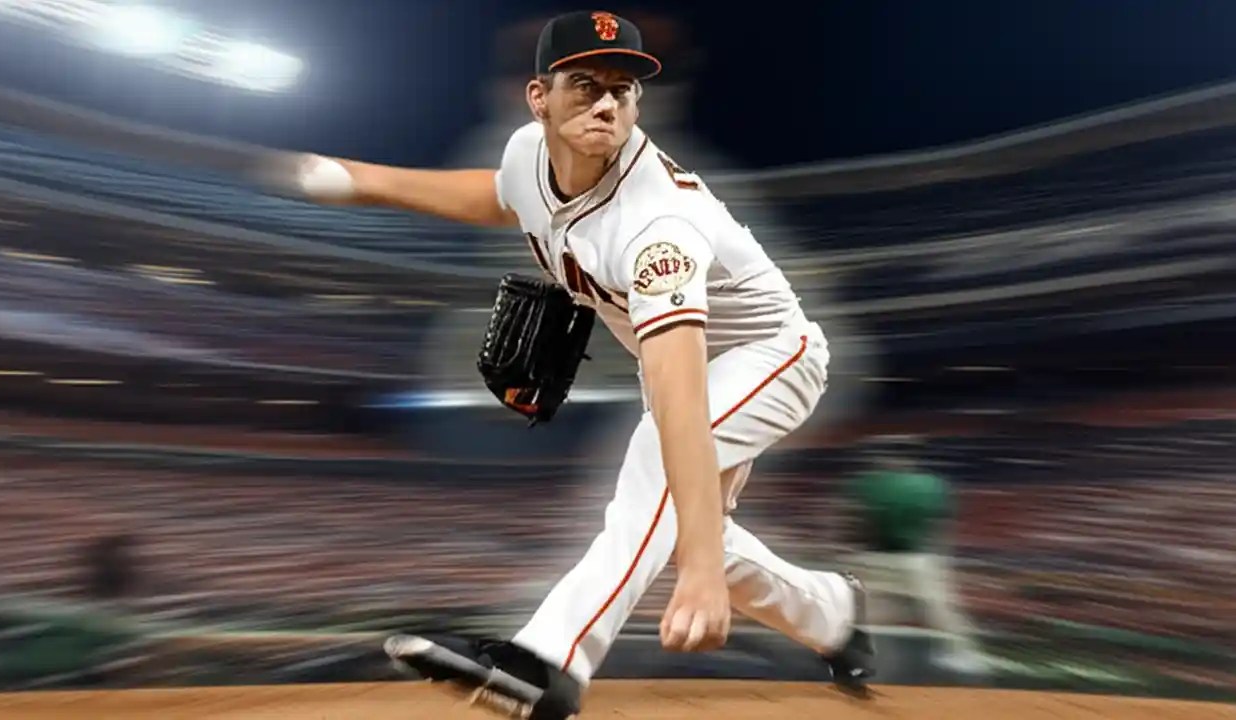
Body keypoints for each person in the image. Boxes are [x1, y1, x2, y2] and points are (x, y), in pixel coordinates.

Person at [291, 10, 874, 718]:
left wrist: (694, 572)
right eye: (584, 84)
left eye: (622, 89)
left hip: (768, 355)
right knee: (680, 525)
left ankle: (548, 663)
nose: (606, 101)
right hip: (694, 358)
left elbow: (679, 393)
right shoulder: (526, 157)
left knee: (660, 472)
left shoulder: (657, 226)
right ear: (539, 97)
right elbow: (497, 195)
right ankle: (832, 614)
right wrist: (363, 180)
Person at [843, 437, 990, 675]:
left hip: (873, 556)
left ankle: (848, 656)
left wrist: (850, 551)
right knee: (940, 609)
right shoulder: (931, 484)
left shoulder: (868, 483)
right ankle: (965, 655)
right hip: (917, 559)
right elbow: (939, 525)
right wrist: (941, 557)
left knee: (856, 610)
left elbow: (853, 519)